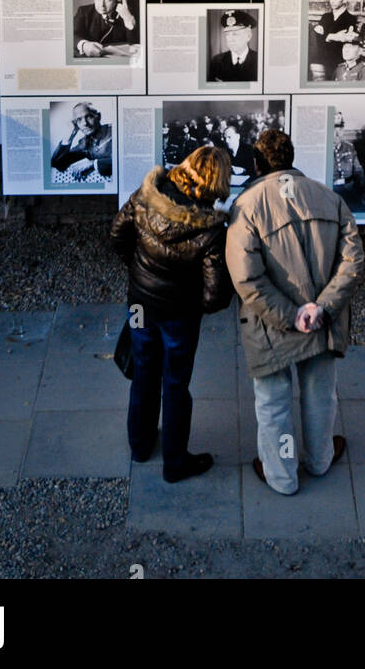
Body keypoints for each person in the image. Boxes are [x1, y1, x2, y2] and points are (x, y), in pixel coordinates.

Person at [226, 128, 364, 496]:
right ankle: (319, 460)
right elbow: (352, 262)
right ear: (291, 156)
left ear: (256, 163)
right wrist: (320, 308)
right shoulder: (328, 197)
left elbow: (246, 278)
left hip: (270, 324)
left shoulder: (246, 207)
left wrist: (291, 315)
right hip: (322, 320)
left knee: (273, 402)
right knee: (320, 394)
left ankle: (282, 476)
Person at [109, 144, 234, 482]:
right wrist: (194, 303)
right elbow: (215, 295)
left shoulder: (147, 195)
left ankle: (140, 444)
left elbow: (117, 235)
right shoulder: (210, 231)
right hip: (179, 315)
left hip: (138, 303)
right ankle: (175, 462)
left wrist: (138, 272)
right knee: (175, 383)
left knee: (144, 370)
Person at [73, 0, 138, 57]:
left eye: (107, 0)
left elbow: (134, 45)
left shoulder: (125, 14)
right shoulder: (84, 12)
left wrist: (128, 19)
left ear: (117, 1)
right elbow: (72, 35)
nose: (101, 4)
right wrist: (84, 45)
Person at [50, 102, 111, 178]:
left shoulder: (115, 131)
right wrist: (69, 136)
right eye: (79, 119)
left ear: (98, 116)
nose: (84, 123)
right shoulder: (83, 143)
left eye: (89, 117)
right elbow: (56, 163)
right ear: (76, 124)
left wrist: (93, 163)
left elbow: (124, 160)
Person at [311, 0, 357, 78]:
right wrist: (332, 36)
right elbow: (317, 40)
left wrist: (326, 36)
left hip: (339, 64)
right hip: (322, 62)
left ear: (344, 0)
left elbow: (346, 43)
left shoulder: (351, 19)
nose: (331, 1)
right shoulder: (325, 17)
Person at [208, 9, 257, 81]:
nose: (230, 39)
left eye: (235, 34)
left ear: (248, 36)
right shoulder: (217, 61)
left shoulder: (259, 60)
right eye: (227, 34)